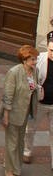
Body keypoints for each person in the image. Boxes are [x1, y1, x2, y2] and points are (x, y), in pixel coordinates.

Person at [1, 45, 39, 176]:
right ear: (24, 60)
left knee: (20, 141)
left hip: (25, 113)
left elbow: (33, 89)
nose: (35, 62)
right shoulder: (14, 72)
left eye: (35, 59)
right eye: (32, 59)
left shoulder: (34, 71)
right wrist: (6, 115)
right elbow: (8, 95)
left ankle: (11, 164)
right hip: (13, 113)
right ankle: (9, 171)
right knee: (12, 143)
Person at [29, 30, 53, 165]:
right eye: (51, 50)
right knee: (30, 129)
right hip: (40, 103)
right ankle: (27, 151)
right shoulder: (39, 60)